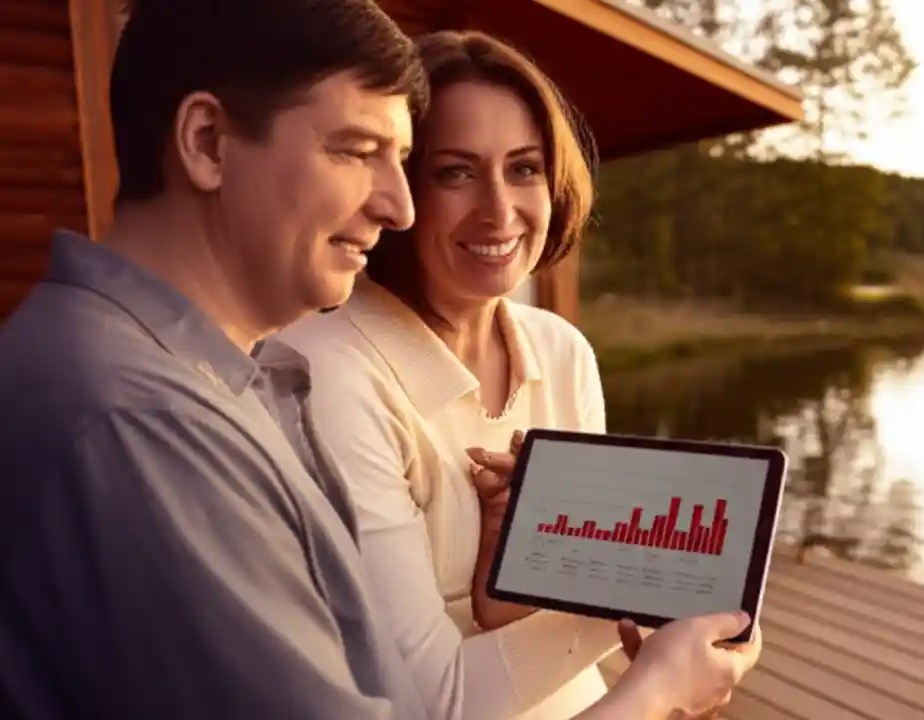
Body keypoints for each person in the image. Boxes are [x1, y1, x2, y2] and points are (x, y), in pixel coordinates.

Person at [0, 2, 758, 718]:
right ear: (205, 142)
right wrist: (657, 669)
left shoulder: (224, 382)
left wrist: (535, 586)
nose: (398, 206)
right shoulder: (143, 424)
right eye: (358, 151)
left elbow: (365, 676)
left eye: (400, 158)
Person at [276, 30, 763, 719]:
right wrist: (665, 602)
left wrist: (531, 596)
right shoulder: (329, 373)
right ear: (399, 186)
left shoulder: (561, 350)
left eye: (525, 168)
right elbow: (430, 701)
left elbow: (531, 615)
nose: (499, 210)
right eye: (456, 171)